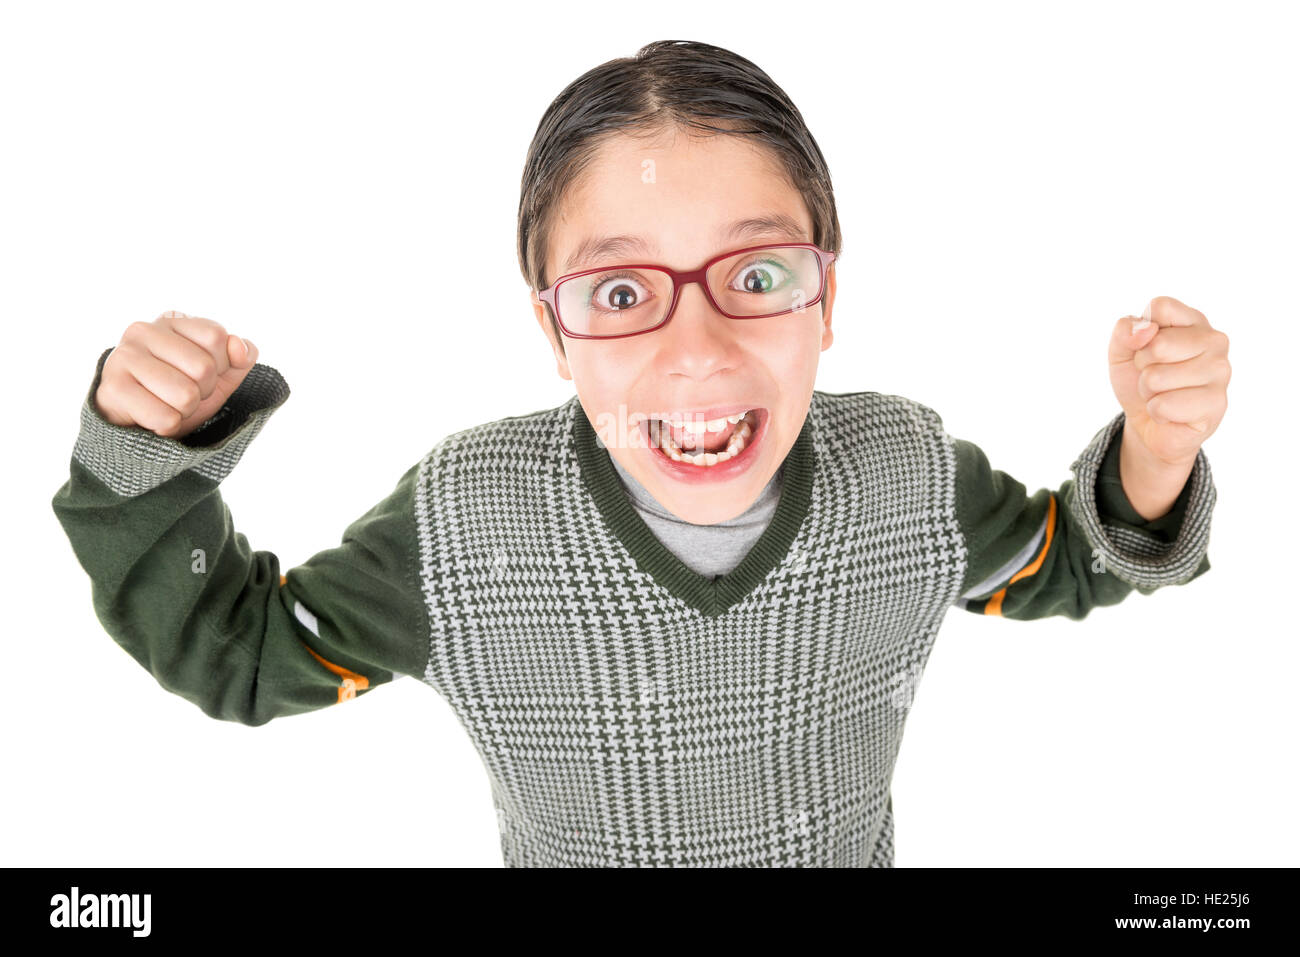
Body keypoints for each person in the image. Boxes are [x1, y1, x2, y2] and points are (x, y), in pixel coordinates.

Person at [51, 39, 1229, 867]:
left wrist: (1159, 444)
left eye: (758, 275)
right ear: (552, 332)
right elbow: (241, 654)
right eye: (619, 290)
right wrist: (148, 456)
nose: (697, 348)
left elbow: (1076, 558)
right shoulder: (466, 519)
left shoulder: (910, 476)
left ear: (829, 299)